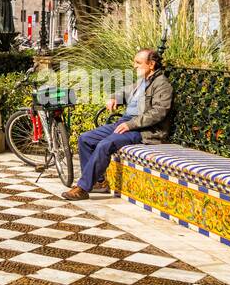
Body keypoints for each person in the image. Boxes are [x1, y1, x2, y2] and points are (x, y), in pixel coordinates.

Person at [61, 49, 172, 200]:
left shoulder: (162, 85)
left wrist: (131, 125)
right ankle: (98, 183)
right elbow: (124, 92)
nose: (134, 66)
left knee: (105, 144)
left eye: (138, 63)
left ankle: (83, 188)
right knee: (85, 139)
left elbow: (158, 112)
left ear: (151, 64)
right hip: (124, 123)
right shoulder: (142, 82)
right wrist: (114, 97)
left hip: (143, 130)